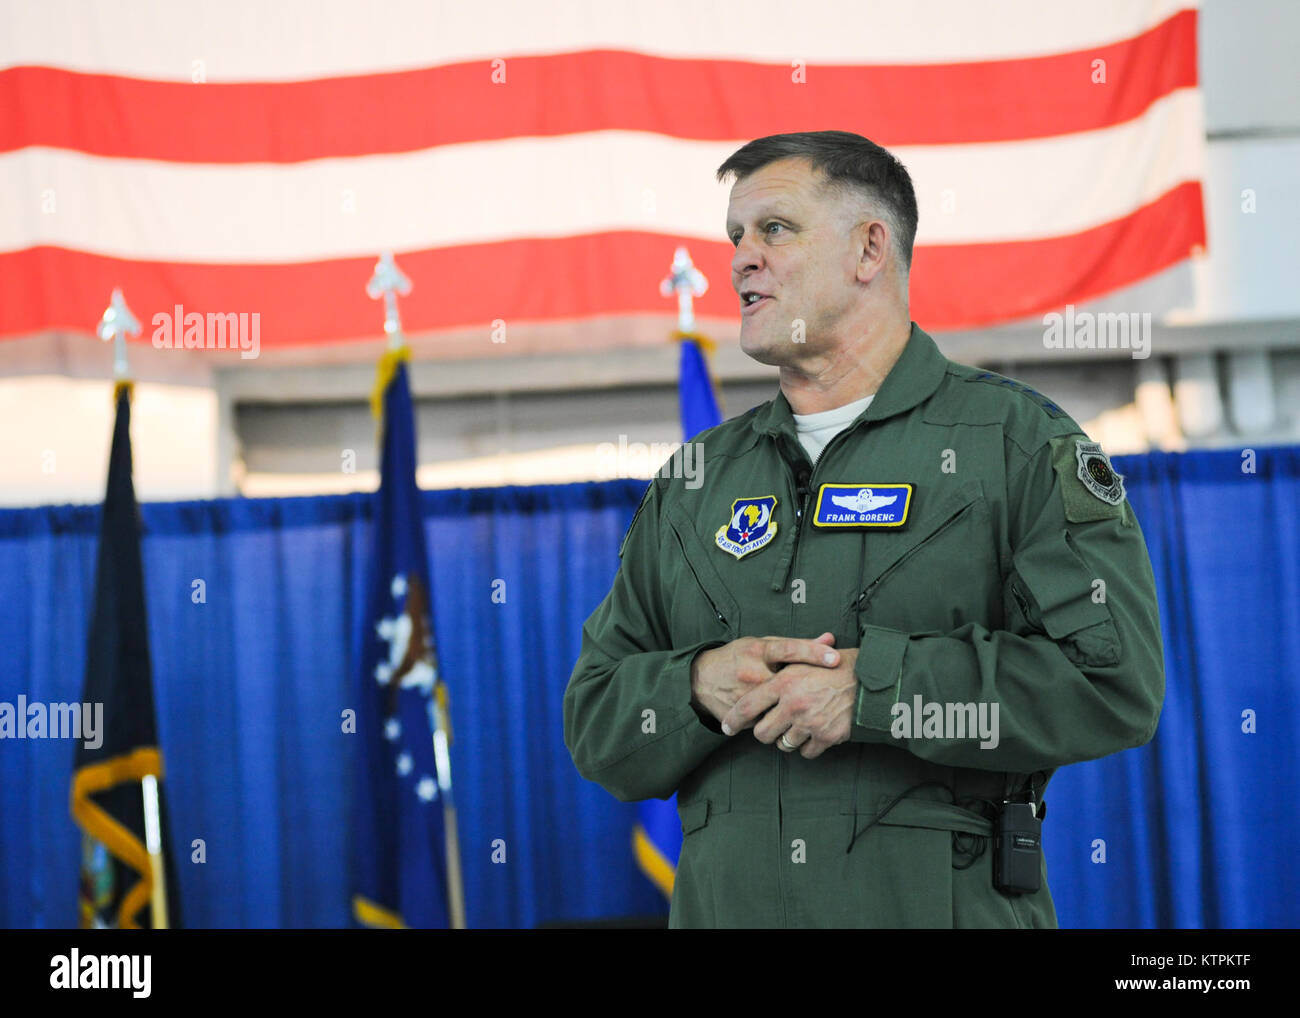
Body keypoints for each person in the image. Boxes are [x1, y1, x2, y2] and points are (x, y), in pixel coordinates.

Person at [563, 130, 1165, 928]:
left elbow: (1113, 686)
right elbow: (596, 719)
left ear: (869, 249)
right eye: (735, 238)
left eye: (773, 230)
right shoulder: (695, 481)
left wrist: (880, 694)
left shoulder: (1017, 446)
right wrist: (696, 688)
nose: (741, 259)